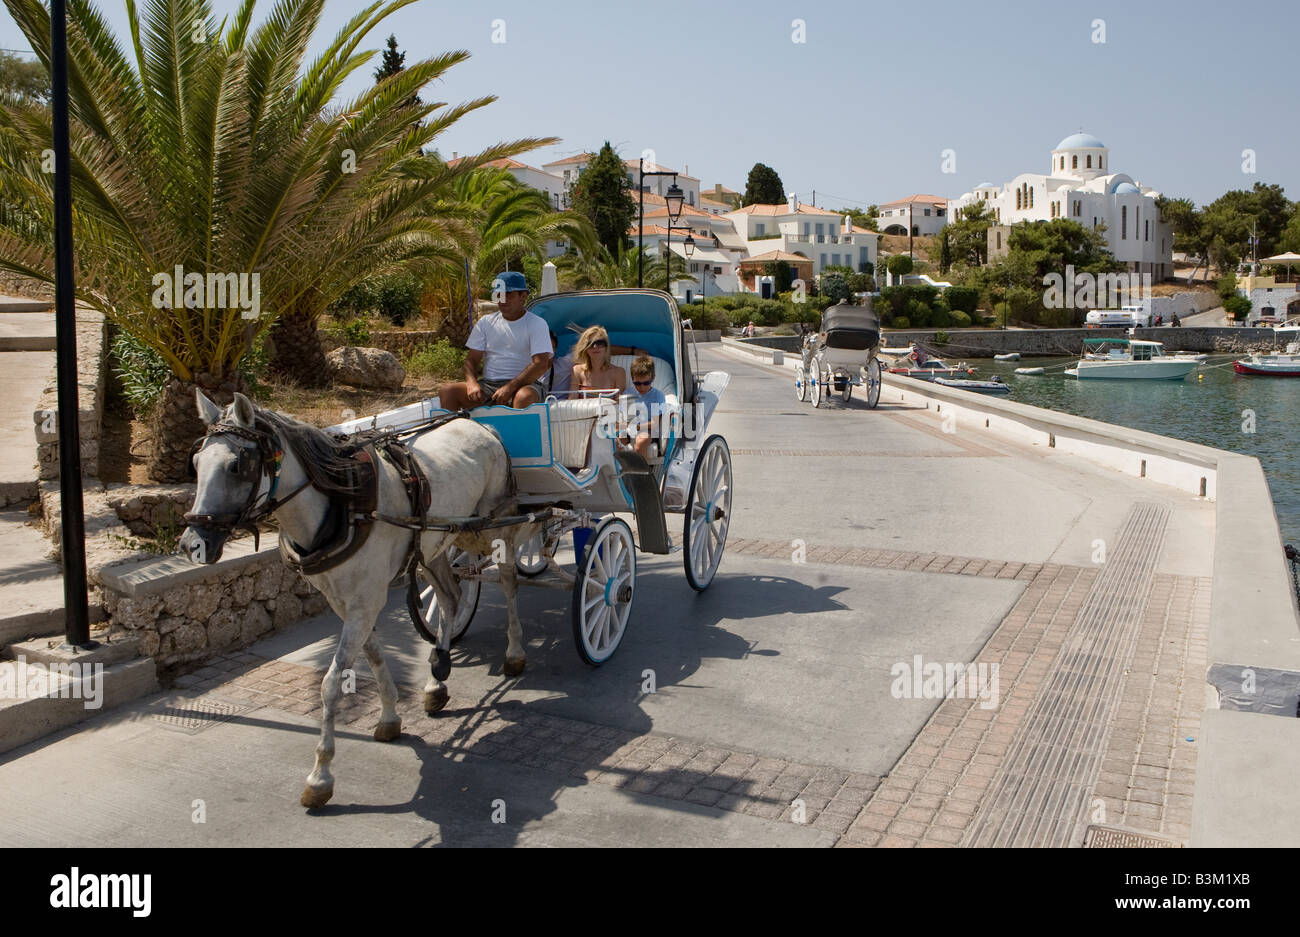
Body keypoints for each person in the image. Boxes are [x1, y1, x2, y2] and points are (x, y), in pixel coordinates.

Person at [439, 271, 551, 410]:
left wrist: (510, 388)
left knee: (523, 397)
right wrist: (472, 383)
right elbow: (471, 360)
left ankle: (517, 431)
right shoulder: (485, 322)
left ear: (523, 297)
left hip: (526, 385)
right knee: (448, 391)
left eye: (508, 295)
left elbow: (540, 364)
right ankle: (456, 431)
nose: (502, 299)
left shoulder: (537, 324)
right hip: (488, 385)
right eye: (499, 294)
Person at [621, 356, 667, 460]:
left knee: (640, 442)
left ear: (653, 378)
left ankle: (641, 474)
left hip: (648, 431)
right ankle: (618, 471)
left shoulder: (657, 396)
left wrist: (634, 426)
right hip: (630, 429)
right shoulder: (628, 393)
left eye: (646, 383)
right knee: (616, 440)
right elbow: (623, 417)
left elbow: (654, 423)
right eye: (637, 383)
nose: (642, 387)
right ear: (632, 378)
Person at [571, 325, 627, 395]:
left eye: (599, 343)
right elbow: (573, 399)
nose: (595, 347)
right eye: (590, 344)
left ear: (606, 347)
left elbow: (620, 403)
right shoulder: (577, 371)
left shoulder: (619, 373)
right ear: (585, 348)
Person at [545, 330, 573, 396]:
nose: (547, 351)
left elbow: (584, 350)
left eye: (551, 347)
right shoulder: (524, 369)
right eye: (543, 347)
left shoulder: (565, 364)